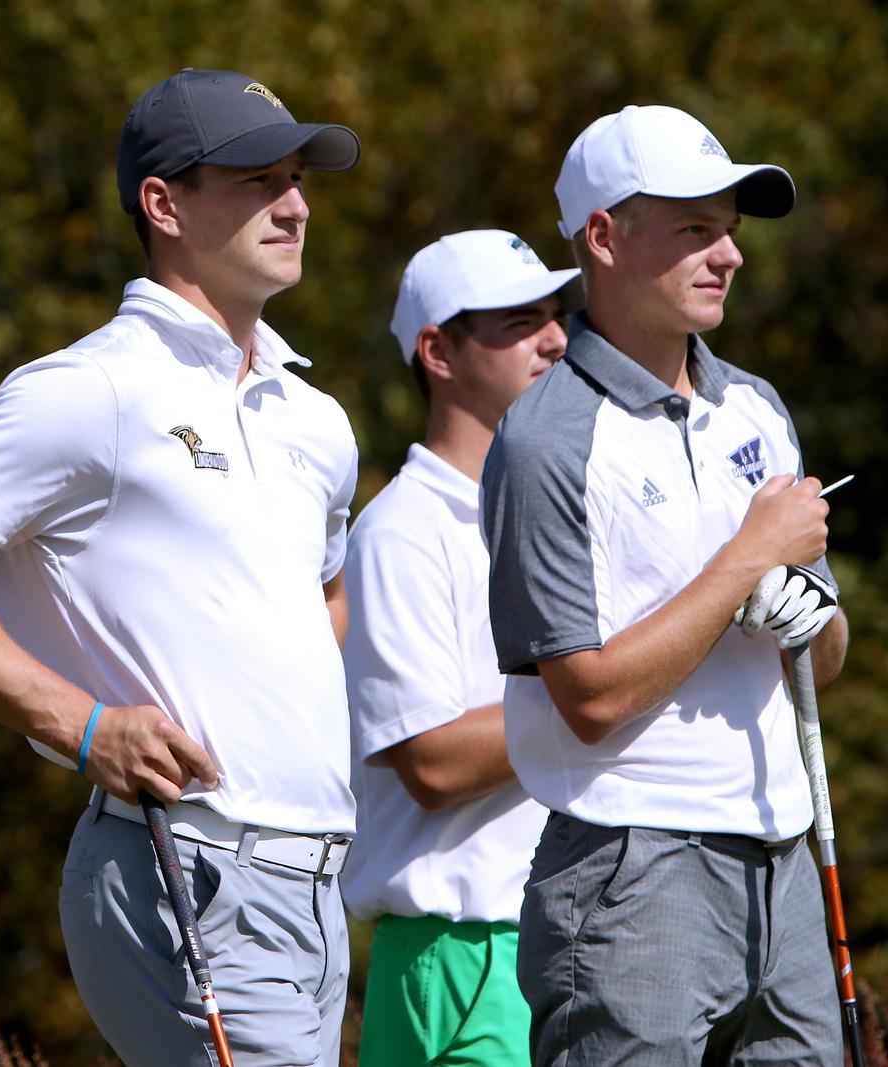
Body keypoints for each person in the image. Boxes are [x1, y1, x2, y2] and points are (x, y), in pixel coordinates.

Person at [0, 69, 362, 1067]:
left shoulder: (318, 420)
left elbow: (318, 598)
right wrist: (81, 727)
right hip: (188, 863)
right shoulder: (90, 389)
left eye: (296, 178)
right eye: (255, 178)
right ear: (162, 204)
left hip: (315, 883)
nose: (293, 204)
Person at [478, 104, 852, 1065]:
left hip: (785, 859)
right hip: (629, 872)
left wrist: (806, 608)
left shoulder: (755, 408)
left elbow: (828, 656)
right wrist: (746, 562)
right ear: (602, 236)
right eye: (694, 227)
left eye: (730, 228)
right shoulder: (543, 440)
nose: (727, 254)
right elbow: (590, 698)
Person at [340, 230, 580, 1066]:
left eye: (557, 316)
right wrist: (619, 685)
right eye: (520, 322)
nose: (555, 339)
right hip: (464, 954)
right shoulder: (400, 533)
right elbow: (434, 762)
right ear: (437, 351)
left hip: (573, 938)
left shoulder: (571, 511)